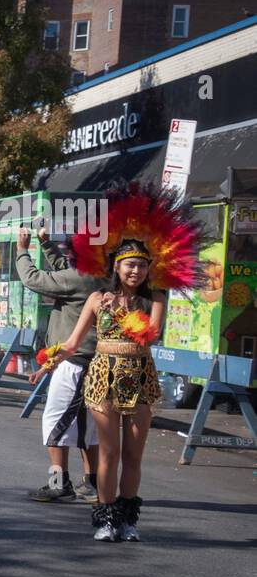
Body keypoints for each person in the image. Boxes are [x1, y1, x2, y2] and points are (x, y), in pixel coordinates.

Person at [30, 185, 205, 541]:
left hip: (140, 379)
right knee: (108, 453)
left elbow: (151, 333)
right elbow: (74, 342)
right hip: (103, 378)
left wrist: (124, 313)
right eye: (129, 265)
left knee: (133, 455)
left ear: (149, 269)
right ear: (116, 266)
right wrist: (48, 364)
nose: (135, 271)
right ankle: (105, 519)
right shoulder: (97, 298)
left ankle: (128, 519)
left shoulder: (155, 297)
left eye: (141, 266)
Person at [17, 223, 105, 504]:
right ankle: (91, 484)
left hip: (75, 363)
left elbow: (33, 279)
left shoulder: (78, 279)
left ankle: (59, 483)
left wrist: (22, 249)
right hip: (91, 361)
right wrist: (45, 244)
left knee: (55, 423)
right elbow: (64, 270)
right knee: (87, 428)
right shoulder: (99, 275)